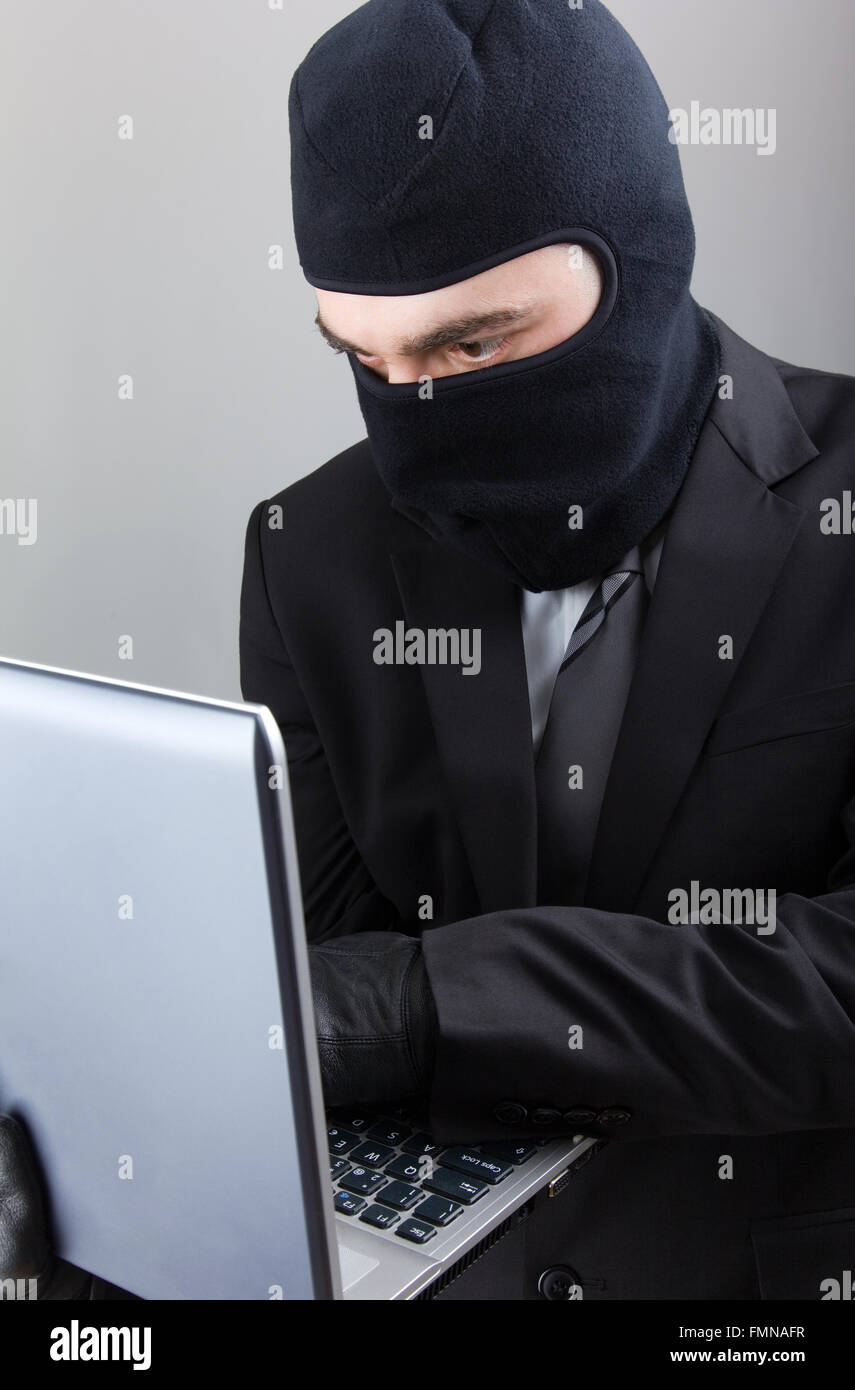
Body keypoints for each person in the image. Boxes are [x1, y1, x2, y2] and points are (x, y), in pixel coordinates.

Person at [4, 0, 855, 1302]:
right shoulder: (311, 557)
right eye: (365, 359)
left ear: (640, 252)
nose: (418, 425)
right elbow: (311, 1025)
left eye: (475, 344)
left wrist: (424, 1000)